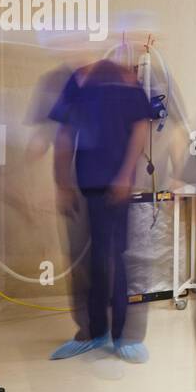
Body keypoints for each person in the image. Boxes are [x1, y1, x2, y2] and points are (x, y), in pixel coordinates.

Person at [47, 56, 152, 362]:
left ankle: (123, 336)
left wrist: (124, 174)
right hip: (85, 185)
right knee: (87, 261)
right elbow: (64, 134)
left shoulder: (126, 80)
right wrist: (62, 183)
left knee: (116, 258)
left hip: (117, 186)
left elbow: (140, 128)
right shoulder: (77, 81)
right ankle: (93, 333)